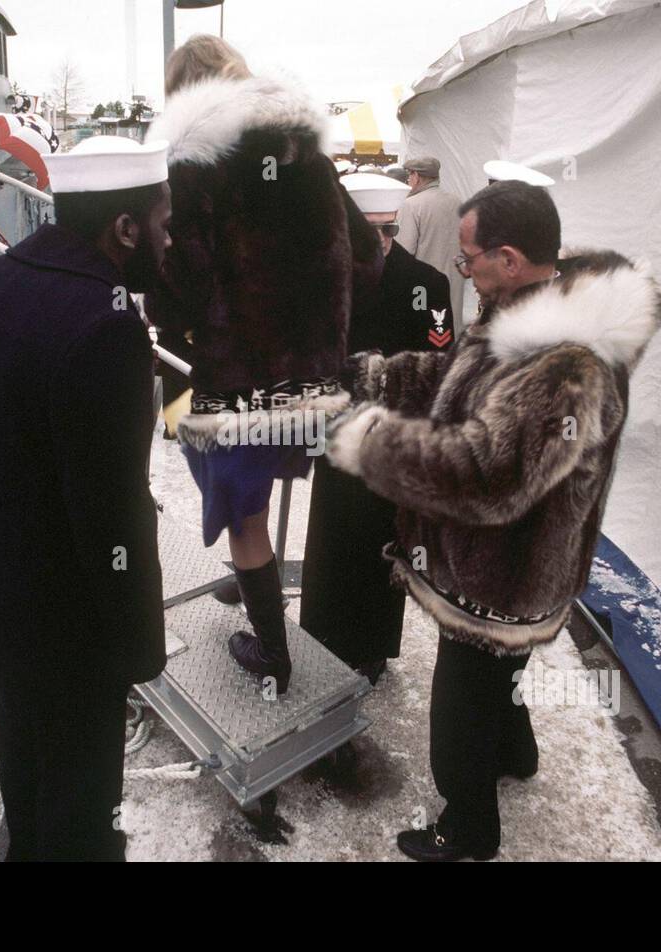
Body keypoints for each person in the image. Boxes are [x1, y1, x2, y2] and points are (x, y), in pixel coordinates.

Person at [328, 181, 661, 861]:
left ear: (509, 258)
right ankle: (516, 750)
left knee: (461, 702)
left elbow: (484, 476)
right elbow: (460, 380)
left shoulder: (565, 365)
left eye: (469, 258)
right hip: (508, 561)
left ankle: (467, 826)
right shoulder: (525, 310)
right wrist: (373, 377)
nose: (464, 270)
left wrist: (372, 443)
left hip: (501, 572)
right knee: (497, 682)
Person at [0, 136, 172, 861]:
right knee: (81, 796)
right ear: (124, 229)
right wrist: (138, 641)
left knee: (25, 767)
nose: (170, 237)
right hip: (71, 626)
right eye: (162, 222)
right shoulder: (108, 326)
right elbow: (113, 511)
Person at [145, 35, 380, 696]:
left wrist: (171, 315)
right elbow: (367, 258)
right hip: (310, 382)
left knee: (240, 515)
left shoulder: (194, 156)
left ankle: (272, 655)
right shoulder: (306, 149)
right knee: (259, 502)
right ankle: (255, 589)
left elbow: (177, 277)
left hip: (233, 384)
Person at [301, 172, 452, 684]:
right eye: (369, 234)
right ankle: (319, 634)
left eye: (388, 230)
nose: (381, 243)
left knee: (381, 550)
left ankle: (371, 648)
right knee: (327, 539)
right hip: (336, 436)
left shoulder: (427, 284)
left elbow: (437, 369)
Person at [394, 155, 465, 332]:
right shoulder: (457, 202)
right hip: (454, 280)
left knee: (423, 332)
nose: (408, 180)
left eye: (409, 175)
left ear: (416, 176)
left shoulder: (410, 205)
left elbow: (403, 251)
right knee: (449, 329)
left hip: (422, 285)